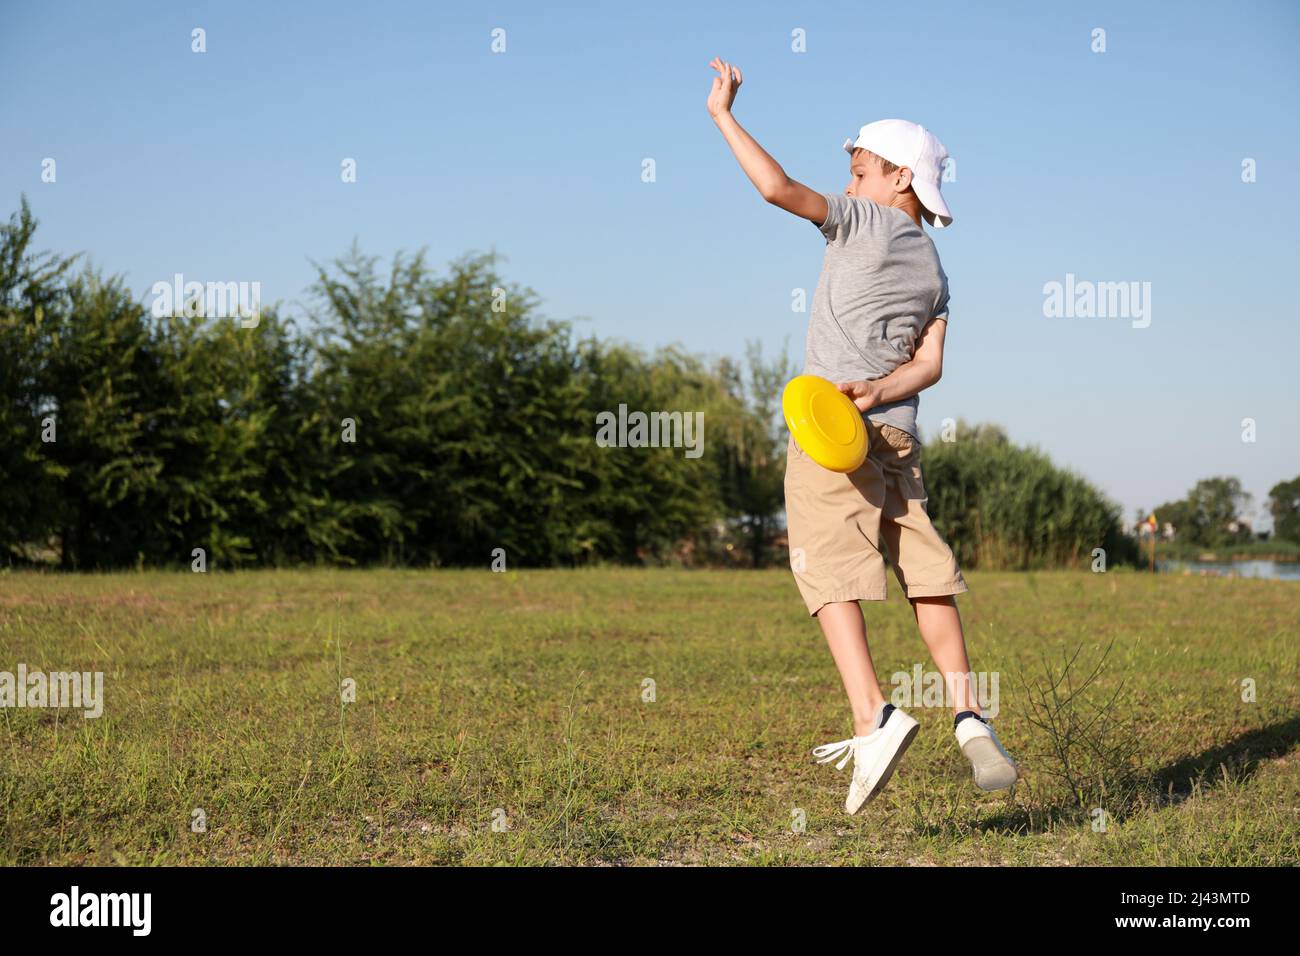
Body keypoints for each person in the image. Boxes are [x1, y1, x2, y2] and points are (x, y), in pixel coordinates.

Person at [707, 57, 1018, 814]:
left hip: (835, 435)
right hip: (898, 437)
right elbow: (930, 366)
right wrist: (882, 389)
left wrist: (723, 116)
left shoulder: (863, 221)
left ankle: (872, 715)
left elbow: (778, 190)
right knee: (925, 570)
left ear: (899, 180)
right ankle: (970, 715)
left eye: (857, 170)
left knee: (823, 561)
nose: (847, 184)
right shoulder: (936, 271)